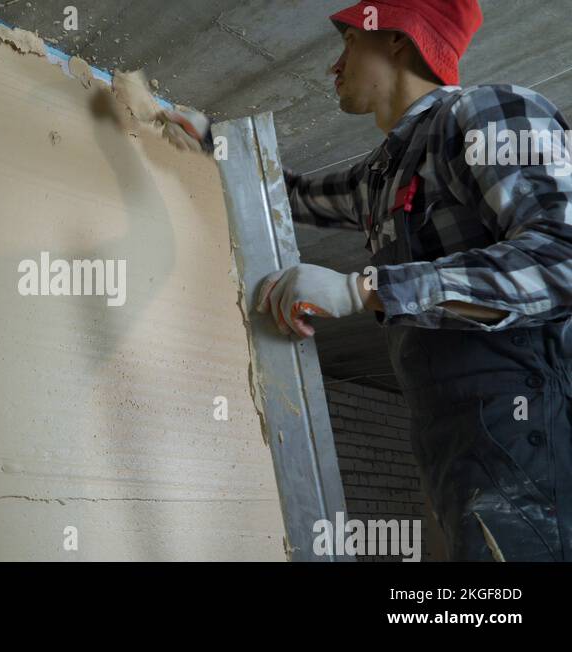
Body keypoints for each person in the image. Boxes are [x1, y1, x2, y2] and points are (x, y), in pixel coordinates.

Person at [167, 0, 572, 561]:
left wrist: (365, 288)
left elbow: (561, 259)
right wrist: (216, 143)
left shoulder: (489, 112)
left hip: (534, 432)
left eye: (349, 43)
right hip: (454, 440)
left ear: (399, 39)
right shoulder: (383, 174)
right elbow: (295, 196)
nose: (334, 66)